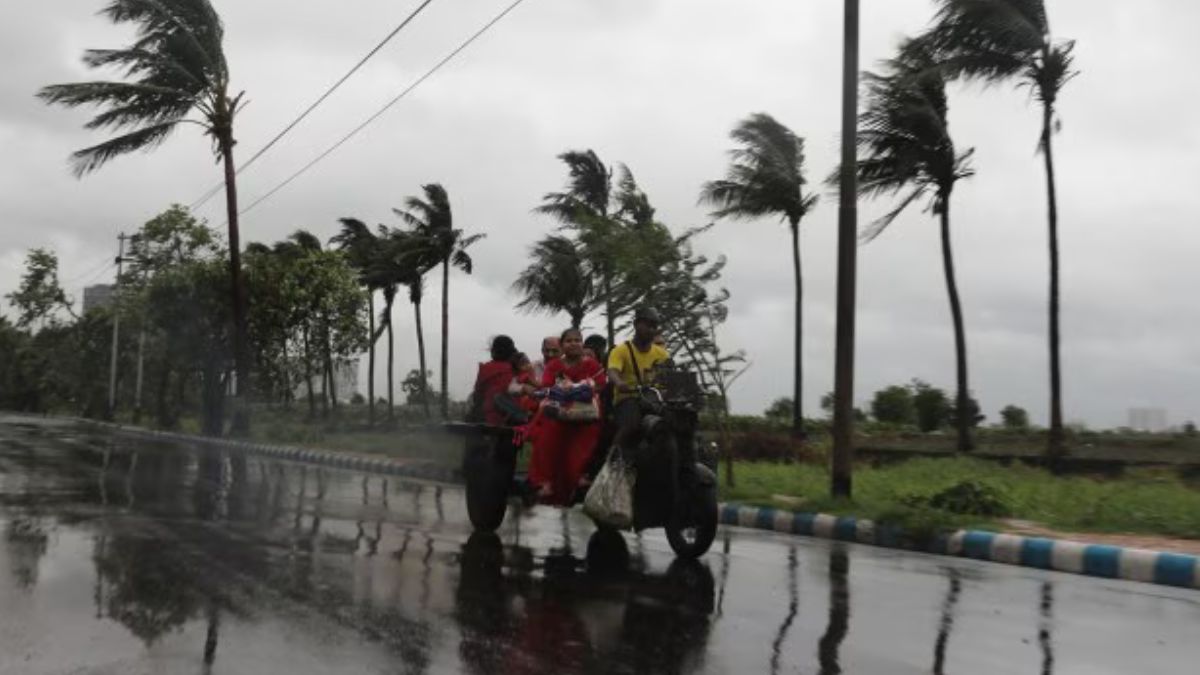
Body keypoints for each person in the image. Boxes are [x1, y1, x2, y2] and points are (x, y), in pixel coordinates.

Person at [528, 328, 606, 505]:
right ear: (562, 346)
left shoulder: (592, 365)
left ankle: (579, 477)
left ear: (582, 344)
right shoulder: (554, 366)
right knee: (547, 432)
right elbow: (547, 386)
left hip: (585, 414)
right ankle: (545, 481)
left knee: (587, 438)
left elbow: (601, 385)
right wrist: (564, 390)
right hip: (560, 413)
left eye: (577, 340)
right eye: (569, 341)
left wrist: (583, 389)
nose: (574, 344)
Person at [607, 307, 670, 455]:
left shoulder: (661, 353)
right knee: (632, 424)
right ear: (636, 324)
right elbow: (612, 371)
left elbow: (670, 375)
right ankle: (614, 457)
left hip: (655, 401)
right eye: (647, 325)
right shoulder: (621, 350)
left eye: (654, 326)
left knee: (675, 423)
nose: (651, 329)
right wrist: (619, 383)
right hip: (628, 398)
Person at [470, 335, 519, 426]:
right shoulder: (517, 369)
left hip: (486, 420)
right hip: (511, 421)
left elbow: (477, 396)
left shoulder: (485, 369)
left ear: (493, 351)